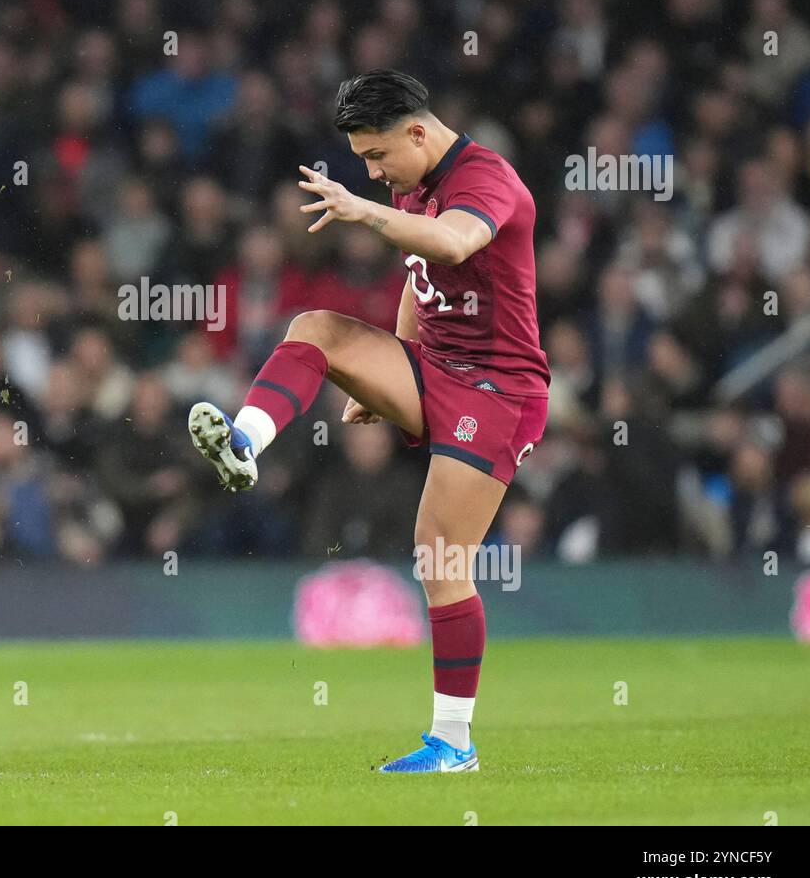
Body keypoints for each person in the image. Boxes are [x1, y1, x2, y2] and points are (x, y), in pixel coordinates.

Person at [188, 70, 550, 774]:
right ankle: (245, 442)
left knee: (440, 558)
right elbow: (423, 279)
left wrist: (363, 210)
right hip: (437, 368)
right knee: (317, 328)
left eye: (377, 156)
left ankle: (455, 744)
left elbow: (450, 244)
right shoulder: (410, 183)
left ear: (418, 131)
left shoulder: (488, 178)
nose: (373, 172)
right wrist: (389, 373)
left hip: (498, 390)